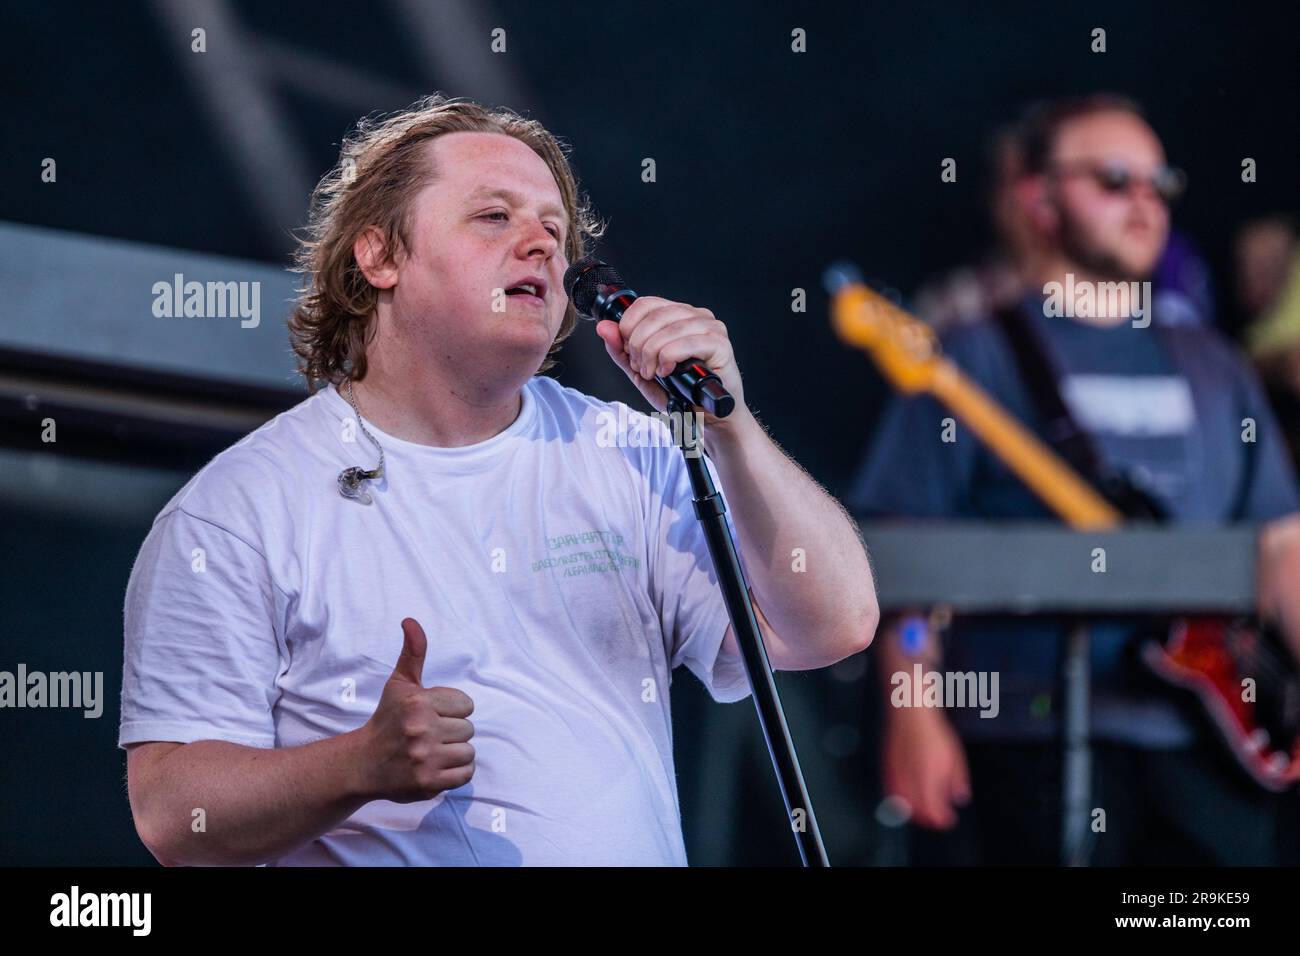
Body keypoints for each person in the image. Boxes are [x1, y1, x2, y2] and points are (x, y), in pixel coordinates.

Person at [118, 94, 878, 867]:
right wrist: (356, 766)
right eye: (494, 217)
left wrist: (732, 430)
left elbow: (833, 626)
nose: (542, 246)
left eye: (554, 229)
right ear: (379, 256)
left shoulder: (632, 452)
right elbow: (174, 812)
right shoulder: (239, 508)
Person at [849, 94, 1300, 865]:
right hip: (1026, 735)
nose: (1144, 202)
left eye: (1159, 182)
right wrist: (914, 710)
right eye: (1115, 179)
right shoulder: (973, 353)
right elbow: (903, 550)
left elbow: (1283, 542)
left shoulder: (1216, 364)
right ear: (1040, 197)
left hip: (1213, 738)